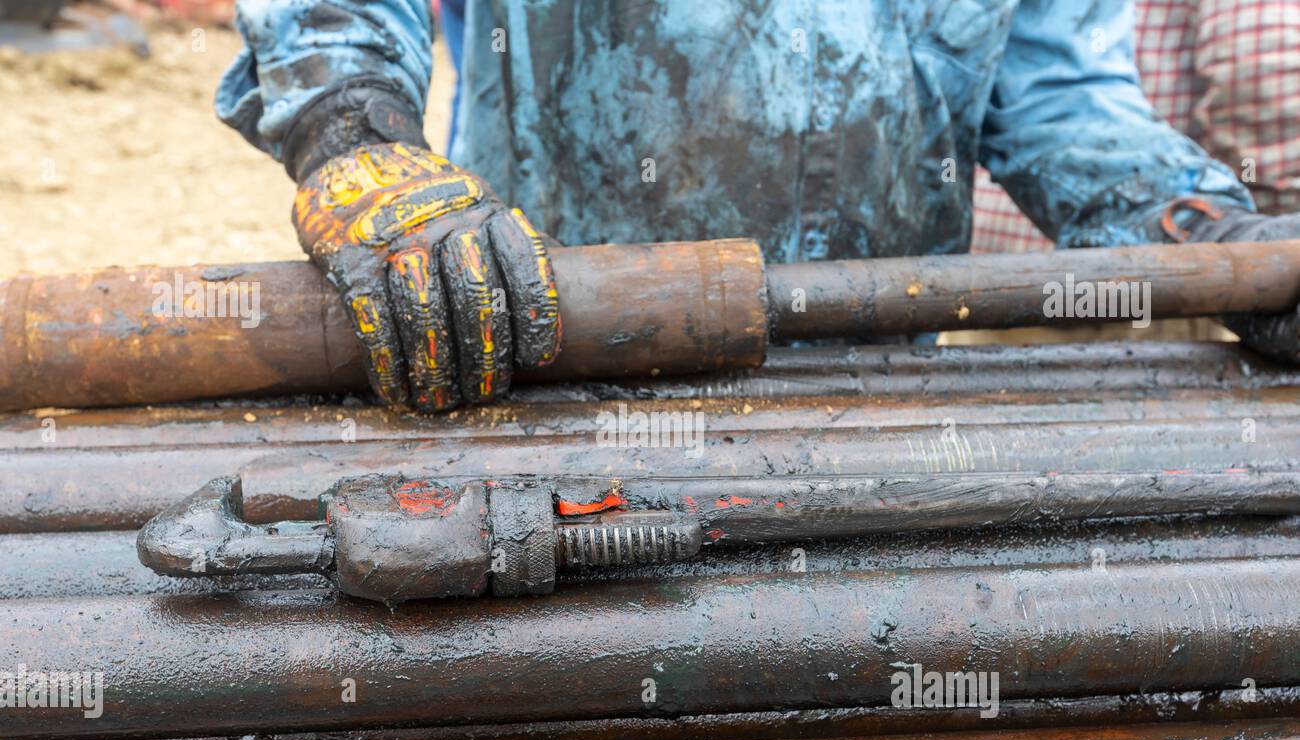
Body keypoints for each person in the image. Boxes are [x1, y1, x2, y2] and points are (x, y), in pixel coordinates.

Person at [217, 0, 1300, 411]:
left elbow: (1058, 99)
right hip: (549, 360)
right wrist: (359, 144)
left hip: (880, 390)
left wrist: (1211, 232)